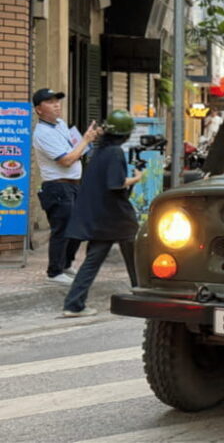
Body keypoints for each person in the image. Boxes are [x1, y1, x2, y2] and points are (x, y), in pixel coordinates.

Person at [61, 110, 142, 317]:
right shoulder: (115, 152)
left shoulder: (100, 151)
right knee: (134, 252)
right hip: (115, 217)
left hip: (100, 217)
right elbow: (116, 184)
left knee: (93, 261)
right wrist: (136, 179)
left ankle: (74, 304)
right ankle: (141, 293)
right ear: (125, 134)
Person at [32, 88, 100, 285]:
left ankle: (67, 264)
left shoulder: (61, 124)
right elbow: (67, 160)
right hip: (57, 187)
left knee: (80, 227)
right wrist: (86, 140)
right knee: (61, 230)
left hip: (74, 185)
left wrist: (88, 139)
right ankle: (55, 271)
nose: (56, 105)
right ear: (38, 110)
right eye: (50, 102)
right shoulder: (42, 133)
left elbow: (76, 148)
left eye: (57, 101)